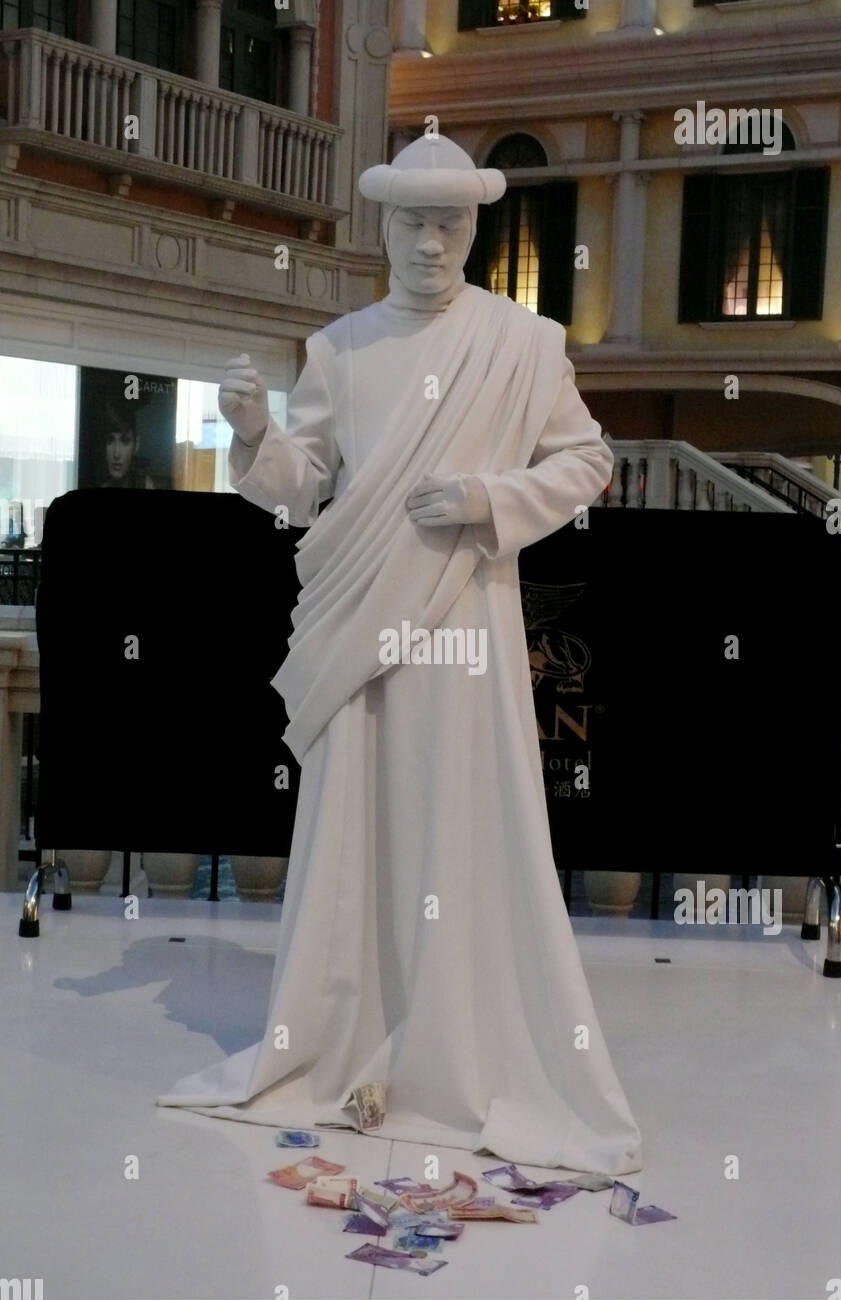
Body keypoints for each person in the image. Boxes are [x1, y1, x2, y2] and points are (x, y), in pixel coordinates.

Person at [159, 136, 642, 1175]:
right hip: (358, 624)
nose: (430, 241)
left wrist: (483, 499)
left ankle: (450, 1053)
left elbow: (589, 458)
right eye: (412, 222)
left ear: (474, 229)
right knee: (359, 827)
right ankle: (355, 1044)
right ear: (381, 228)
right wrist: (249, 435)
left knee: (458, 820)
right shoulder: (339, 348)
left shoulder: (523, 344)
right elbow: (301, 483)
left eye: (450, 223)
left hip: (464, 614)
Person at [99, 400, 154, 489]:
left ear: (136, 445)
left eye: (124, 441)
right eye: (110, 440)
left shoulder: (145, 485)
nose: (116, 454)